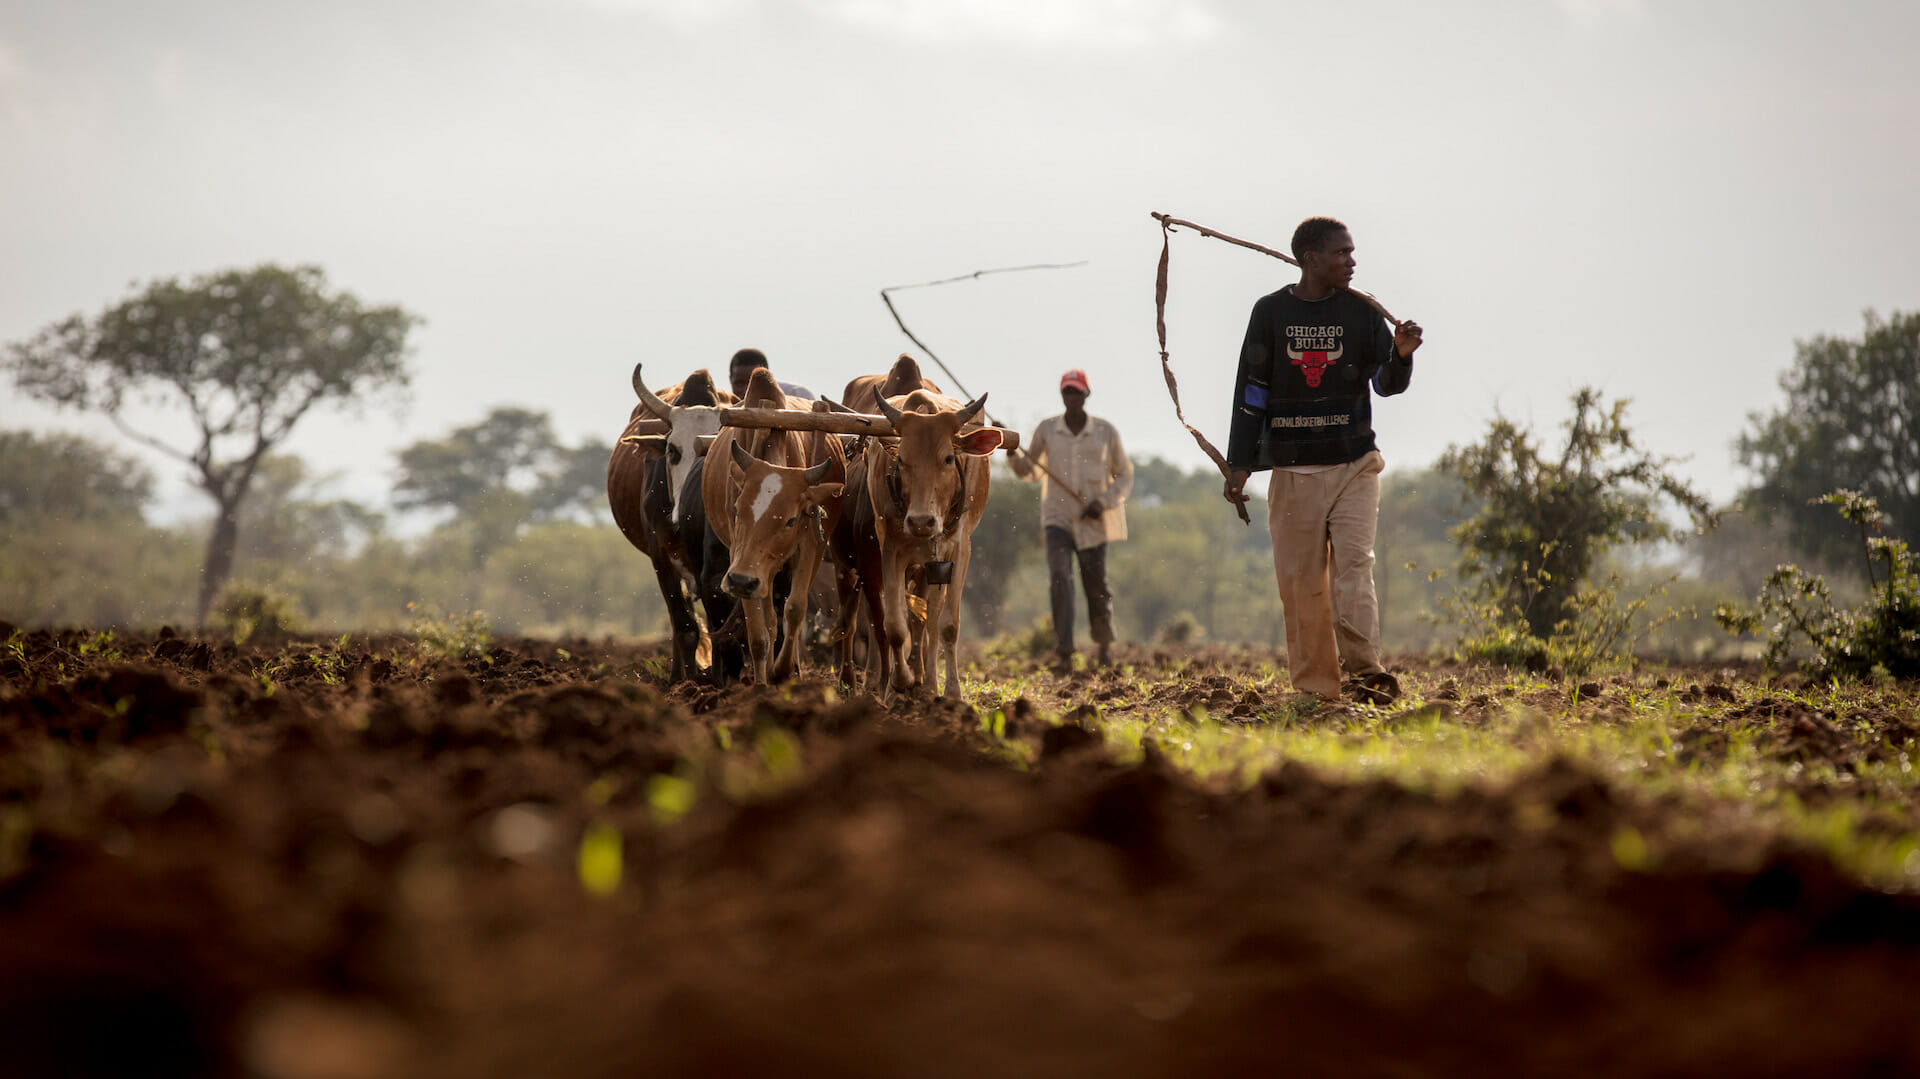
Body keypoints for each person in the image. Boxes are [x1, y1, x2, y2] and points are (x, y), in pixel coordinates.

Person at [1222, 216, 1424, 704]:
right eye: (1341, 254)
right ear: (1311, 260)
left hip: (1354, 464)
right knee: (1302, 587)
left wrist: (1401, 355)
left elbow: (1385, 384)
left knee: (1354, 569)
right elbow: (1252, 390)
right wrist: (1238, 462)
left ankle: (1366, 676)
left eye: (1352, 253)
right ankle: (1316, 692)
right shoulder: (1269, 313)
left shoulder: (1362, 314)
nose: (1352, 262)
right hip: (1293, 472)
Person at [1009, 368, 1134, 668]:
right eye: (1067, 391)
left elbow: (1125, 474)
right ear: (1062, 395)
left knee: (1096, 585)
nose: (1072, 397)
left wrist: (1103, 502)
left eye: (1077, 391)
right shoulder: (1047, 430)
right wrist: (1012, 450)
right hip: (1058, 519)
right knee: (1059, 579)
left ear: (1086, 394)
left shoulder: (1105, 432)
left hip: (1093, 523)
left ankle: (1103, 648)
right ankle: (1065, 651)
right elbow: (1029, 470)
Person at [728, 348, 816, 402]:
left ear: (767, 380)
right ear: (730, 380)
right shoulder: (724, 408)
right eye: (739, 383)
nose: (746, 391)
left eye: (753, 384)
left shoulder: (799, 395)